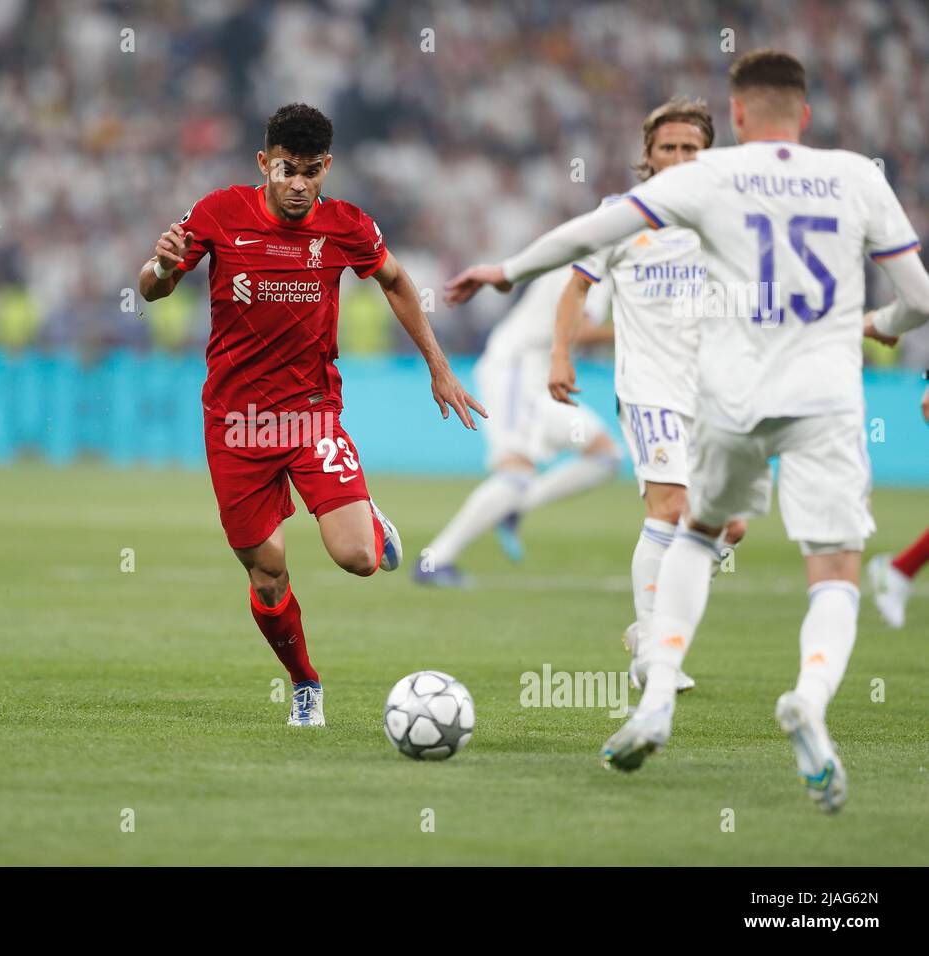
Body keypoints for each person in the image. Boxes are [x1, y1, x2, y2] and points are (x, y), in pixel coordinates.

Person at [445, 50, 929, 812]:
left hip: (729, 394)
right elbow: (920, 299)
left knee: (707, 534)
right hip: (815, 396)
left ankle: (657, 695)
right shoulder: (855, 176)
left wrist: (505, 271)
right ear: (805, 114)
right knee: (831, 574)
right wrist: (878, 323)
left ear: (735, 118)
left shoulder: (715, 181)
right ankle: (803, 698)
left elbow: (585, 230)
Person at [139, 103, 484, 727]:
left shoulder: (347, 226)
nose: (298, 184)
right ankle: (305, 683)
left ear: (327, 167)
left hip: (310, 416)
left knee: (358, 559)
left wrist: (438, 365)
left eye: (311, 171)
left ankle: (367, 520)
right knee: (267, 575)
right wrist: (162, 264)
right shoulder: (219, 212)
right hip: (235, 425)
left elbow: (397, 281)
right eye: (287, 170)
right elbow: (152, 288)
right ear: (263, 164)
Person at [549, 96, 747, 691]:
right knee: (670, 509)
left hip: (715, 392)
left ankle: (653, 629)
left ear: (707, 153)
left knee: (728, 528)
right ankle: (655, 653)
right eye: (669, 147)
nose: (680, 157)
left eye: (691, 148)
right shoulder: (620, 215)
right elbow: (575, 288)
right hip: (648, 388)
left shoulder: (728, 217)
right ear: (649, 154)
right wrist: (560, 354)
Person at [415, 264, 619, 588]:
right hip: (515, 369)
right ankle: (435, 560)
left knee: (605, 456)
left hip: (541, 380)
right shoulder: (595, 263)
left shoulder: (590, 254)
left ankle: (515, 506)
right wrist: (636, 334)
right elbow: (579, 331)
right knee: (515, 472)